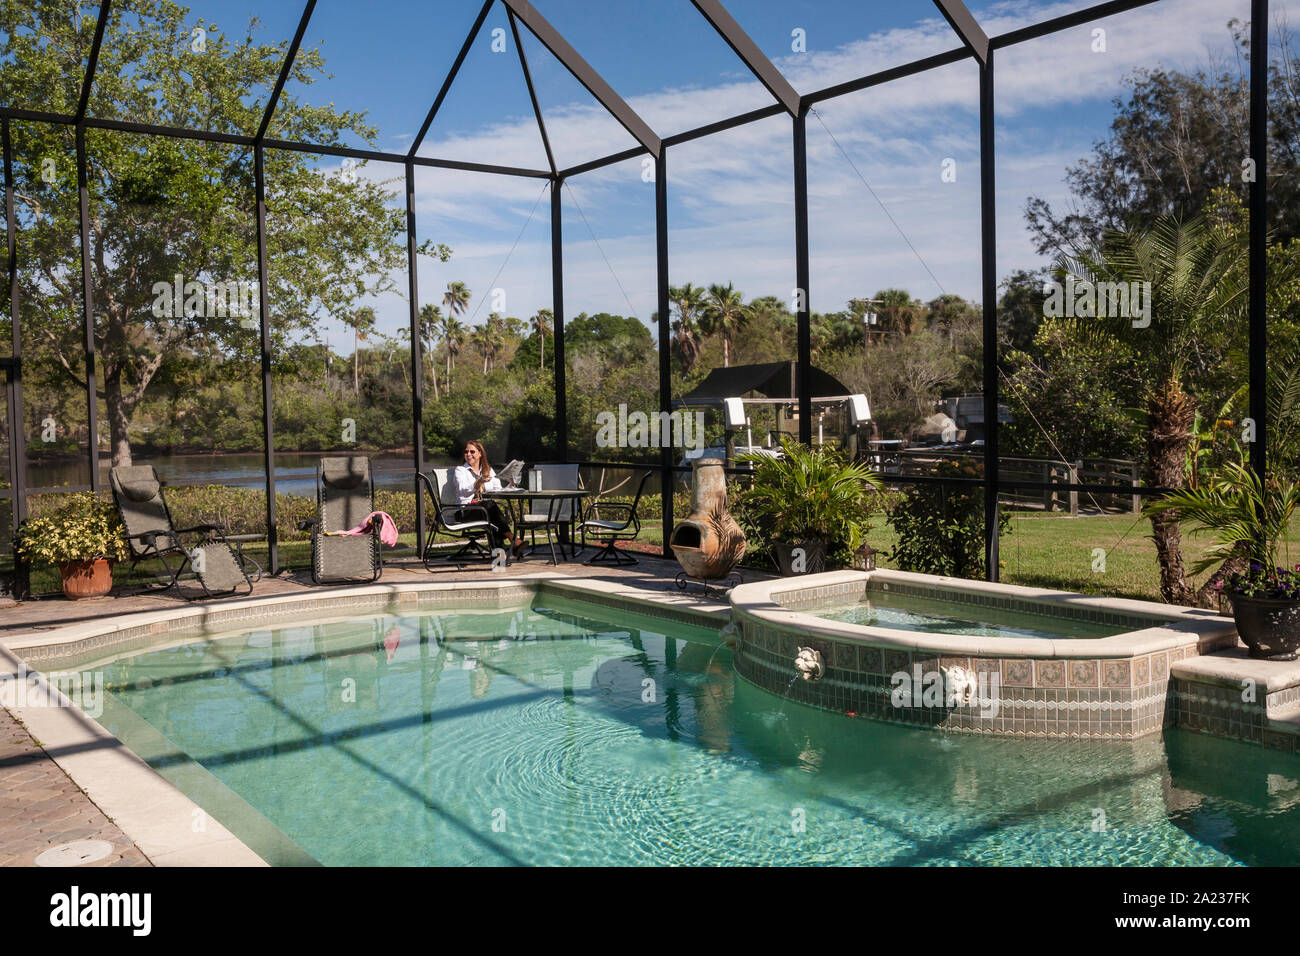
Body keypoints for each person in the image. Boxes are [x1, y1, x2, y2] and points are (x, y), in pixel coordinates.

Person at [451, 440, 525, 556]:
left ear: (480, 453)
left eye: (472, 451)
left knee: (491, 514)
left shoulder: (488, 470)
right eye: (466, 452)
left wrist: (511, 484)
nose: (468, 454)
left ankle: (500, 556)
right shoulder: (460, 471)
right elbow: (463, 490)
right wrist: (478, 482)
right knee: (490, 507)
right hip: (465, 512)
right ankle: (512, 539)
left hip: (484, 510)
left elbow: (497, 489)